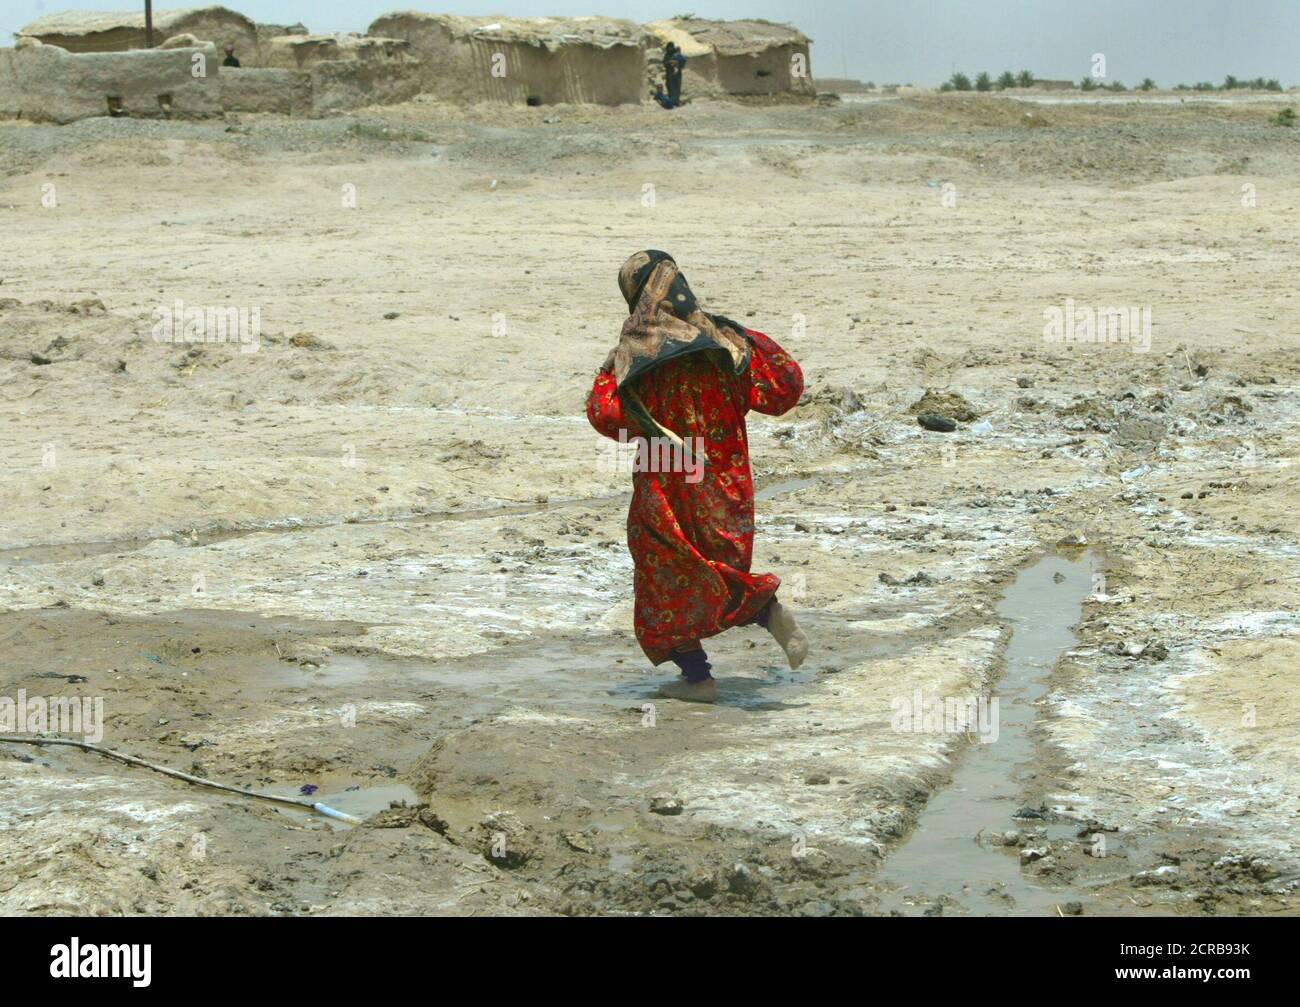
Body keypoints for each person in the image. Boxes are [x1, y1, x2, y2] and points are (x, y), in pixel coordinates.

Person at [587, 251, 808, 703]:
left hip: (666, 478)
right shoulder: (725, 343)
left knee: (665, 572)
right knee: (715, 559)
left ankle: (701, 677)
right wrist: (740, 335)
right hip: (726, 478)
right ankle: (761, 617)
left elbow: (605, 414)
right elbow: (784, 389)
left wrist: (626, 392)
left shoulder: (634, 349)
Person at [654, 42, 686, 109]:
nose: (670, 49)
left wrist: (677, 63)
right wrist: (670, 62)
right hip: (669, 74)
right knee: (670, 87)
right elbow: (665, 63)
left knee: (677, 87)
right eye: (669, 48)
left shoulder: (677, 54)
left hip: (677, 75)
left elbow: (682, 62)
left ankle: (676, 101)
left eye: (671, 47)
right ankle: (671, 101)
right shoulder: (667, 55)